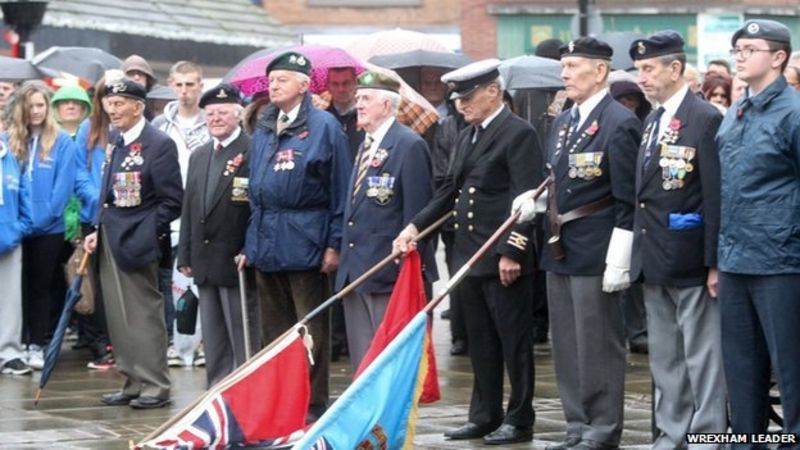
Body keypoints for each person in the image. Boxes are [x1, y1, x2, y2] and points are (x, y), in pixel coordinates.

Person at [394, 58, 541, 445]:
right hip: (469, 256)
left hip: (501, 256)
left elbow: (529, 199)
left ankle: (520, 417)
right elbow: (449, 192)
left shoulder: (517, 133)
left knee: (514, 343)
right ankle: (485, 414)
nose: (462, 105)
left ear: (494, 91)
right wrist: (414, 227)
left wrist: (514, 251)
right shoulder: (466, 134)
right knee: (481, 343)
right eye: (458, 99)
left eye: (470, 97)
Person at [515, 37, 641, 450]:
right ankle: (576, 426)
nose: (564, 73)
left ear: (600, 71)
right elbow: (558, 179)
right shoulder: (565, 121)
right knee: (567, 345)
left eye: (573, 66)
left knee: (598, 346)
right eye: (564, 66)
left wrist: (620, 255)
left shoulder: (619, 122)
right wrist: (533, 200)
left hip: (597, 247)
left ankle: (602, 430)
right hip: (560, 247)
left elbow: (627, 197)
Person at [241, 51, 351, 420]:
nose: (273, 84)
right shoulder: (264, 126)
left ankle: (312, 403)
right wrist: (249, 243)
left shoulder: (324, 127)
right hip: (266, 243)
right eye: (271, 79)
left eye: (283, 79)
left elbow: (340, 191)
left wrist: (334, 244)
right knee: (273, 333)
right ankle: (278, 399)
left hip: (306, 241)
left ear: (304, 85)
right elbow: (257, 191)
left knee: (310, 330)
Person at [630, 30, 727, 448]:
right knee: (666, 359)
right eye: (639, 70)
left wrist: (713, 262)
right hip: (654, 258)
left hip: (690, 258)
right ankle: (672, 434)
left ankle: (707, 436)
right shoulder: (652, 120)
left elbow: (714, 195)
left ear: (676, 69)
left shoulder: (704, 117)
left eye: (649, 68)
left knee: (703, 358)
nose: (642, 78)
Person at [716, 19, 800, 445]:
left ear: (779, 57)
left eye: (750, 49)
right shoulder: (736, 111)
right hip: (735, 256)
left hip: (781, 260)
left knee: (790, 365)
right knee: (741, 365)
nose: (741, 56)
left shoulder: (794, 113)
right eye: (737, 49)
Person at [83, 78, 182, 409]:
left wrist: (145, 231)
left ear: (138, 107)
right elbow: (108, 191)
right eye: (110, 103)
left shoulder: (158, 143)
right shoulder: (116, 139)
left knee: (144, 315)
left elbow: (172, 201)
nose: (112, 109)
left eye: (120, 103)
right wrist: (97, 227)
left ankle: (155, 384)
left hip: (138, 241)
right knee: (119, 317)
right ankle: (132, 380)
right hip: (111, 236)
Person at [336, 71, 436, 370]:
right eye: (358, 99)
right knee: (363, 361)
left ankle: (387, 418)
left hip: (387, 270)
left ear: (387, 105)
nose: (359, 105)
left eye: (366, 99)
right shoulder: (365, 144)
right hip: (357, 270)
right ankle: (368, 417)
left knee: (387, 359)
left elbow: (417, 213)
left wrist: (407, 264)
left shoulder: (408, 145)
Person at [177, 83, 252, 388]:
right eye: (210, 114)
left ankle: (245, 389)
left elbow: (258, 208)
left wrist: (251, 249)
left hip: (236, 258)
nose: (216, 119)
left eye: (222, 112)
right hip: (205, 259)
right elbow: (190, 208)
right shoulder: (200, 155)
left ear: (238, 114)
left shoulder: (252, 150)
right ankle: (218, 389)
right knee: (213, 333)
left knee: (241, 332)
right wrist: (185, 254)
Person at [6, 81, 76, 371]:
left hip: (49, 229)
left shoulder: (62, 141)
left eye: (40, 105)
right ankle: (15, 342)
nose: (35, 111)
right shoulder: (9, 139)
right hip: (17, 228)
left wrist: (42, 218)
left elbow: (63, 187)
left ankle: (37, 342)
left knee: (40, 287)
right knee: (16, 288)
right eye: (30, 105)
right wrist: (20, 223)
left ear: (48, 108)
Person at [153, 60, 209, 367]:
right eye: (180, 85)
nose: (185, 91)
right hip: (170, 216)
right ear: (171, 86)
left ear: (201, 85)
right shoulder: (160, 126)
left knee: (200, 282)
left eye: (191, 84)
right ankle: (176, 342)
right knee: (170, 285)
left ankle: (200, 343)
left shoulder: (212, 122)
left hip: (203, 216)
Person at [73, 76, 115, 370]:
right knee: (93, 283)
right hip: (93, 216)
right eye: (107, 96)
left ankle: (118, 339)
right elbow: (78, 172)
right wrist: (98, 199)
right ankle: (98, 343)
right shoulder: (89, 129)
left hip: (124, 217)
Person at [0, 131, 32, 376]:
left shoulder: (10, 154)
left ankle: (10, 352)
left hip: (8, 238)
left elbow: (23, 192)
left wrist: (20, 226)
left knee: (10, 300)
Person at [326, 67, 363, 162]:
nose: (341, 89)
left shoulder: (368, 114)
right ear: (328, 86)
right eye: (335, 84)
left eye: (346, 83)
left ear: (356, 84)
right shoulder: (323, 118)